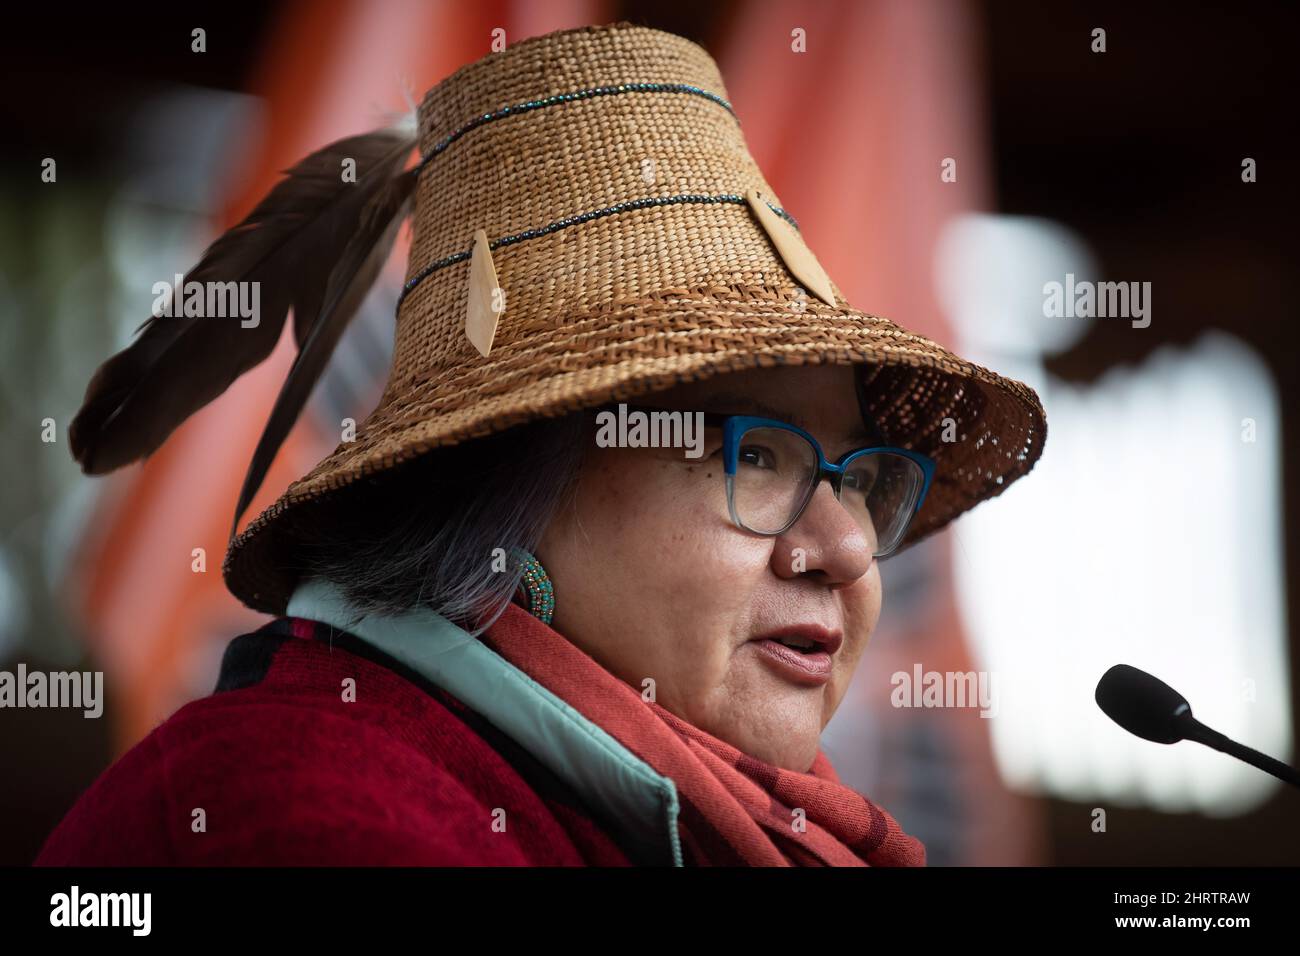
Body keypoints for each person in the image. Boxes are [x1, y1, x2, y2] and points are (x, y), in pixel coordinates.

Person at [37, 22, 1044, 867]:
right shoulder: (316, 810)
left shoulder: (688, 811)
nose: (851, 549)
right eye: (752, 455)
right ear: (505, 490)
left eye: (861, 477)